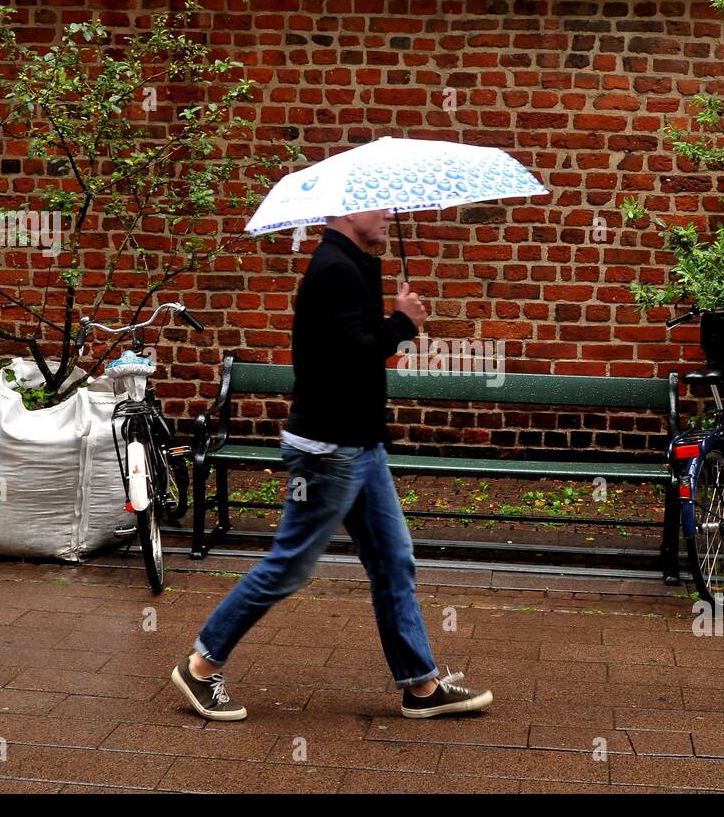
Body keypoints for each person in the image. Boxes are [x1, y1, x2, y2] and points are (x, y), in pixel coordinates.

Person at [171, 208, 493, 721]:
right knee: (290, 564)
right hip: (327, 452)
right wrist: (402, 325)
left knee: (393, 560)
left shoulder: (354, 262)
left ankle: (421, 687)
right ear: (346, 213)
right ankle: (201, 665)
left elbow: (355, 345)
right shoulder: (334, 269)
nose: (388, 213)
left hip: (360, 446)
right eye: (377, 205)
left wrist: (395, 319)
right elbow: (351, 356)